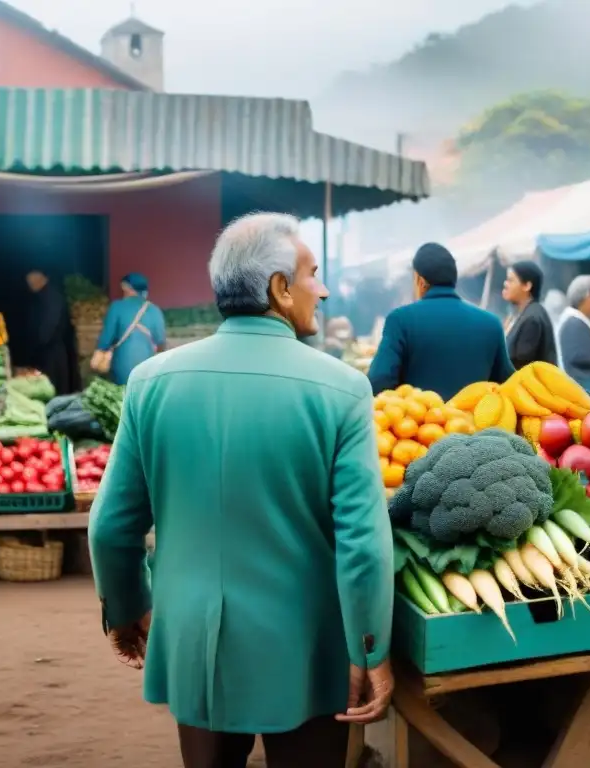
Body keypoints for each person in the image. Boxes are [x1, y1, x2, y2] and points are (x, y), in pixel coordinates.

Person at [88, 213, 395, 768]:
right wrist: (370, 648)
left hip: (190, 639)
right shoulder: (342, 389)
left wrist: (130, 604)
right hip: (305, 647)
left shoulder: (151, 383)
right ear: (279, 289)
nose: (321, 289)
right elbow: (363, 546)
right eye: (312, 274)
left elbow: (111, 525)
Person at [368, 243, 515, 401]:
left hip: (420, 424)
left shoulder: (400, 319)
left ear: (420, 280)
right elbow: (509, 383)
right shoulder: (491, 323)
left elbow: (378, 382)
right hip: (478, 423)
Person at [92, 273, 166, 385]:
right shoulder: (155, 310)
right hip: (147, 367)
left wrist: (98, 355)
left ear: (125, 286)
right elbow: (161, 342)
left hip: (122, 366)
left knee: (123, 396)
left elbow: (106, 339)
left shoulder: (116, 307)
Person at [25, 270, 79, 395]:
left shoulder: (52, 297)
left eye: (31, 281)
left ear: (42, 278)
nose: (29, 284)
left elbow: (51, 324)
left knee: (55, 384)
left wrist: (40, 343)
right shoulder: (42, 296)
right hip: (48, 348)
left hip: (53, 350)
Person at [502, 261, 558, 369]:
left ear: (527, 286)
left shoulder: (532, 319)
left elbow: (520, 365)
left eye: (510, 280)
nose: (505, 284)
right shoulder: (523, 314)